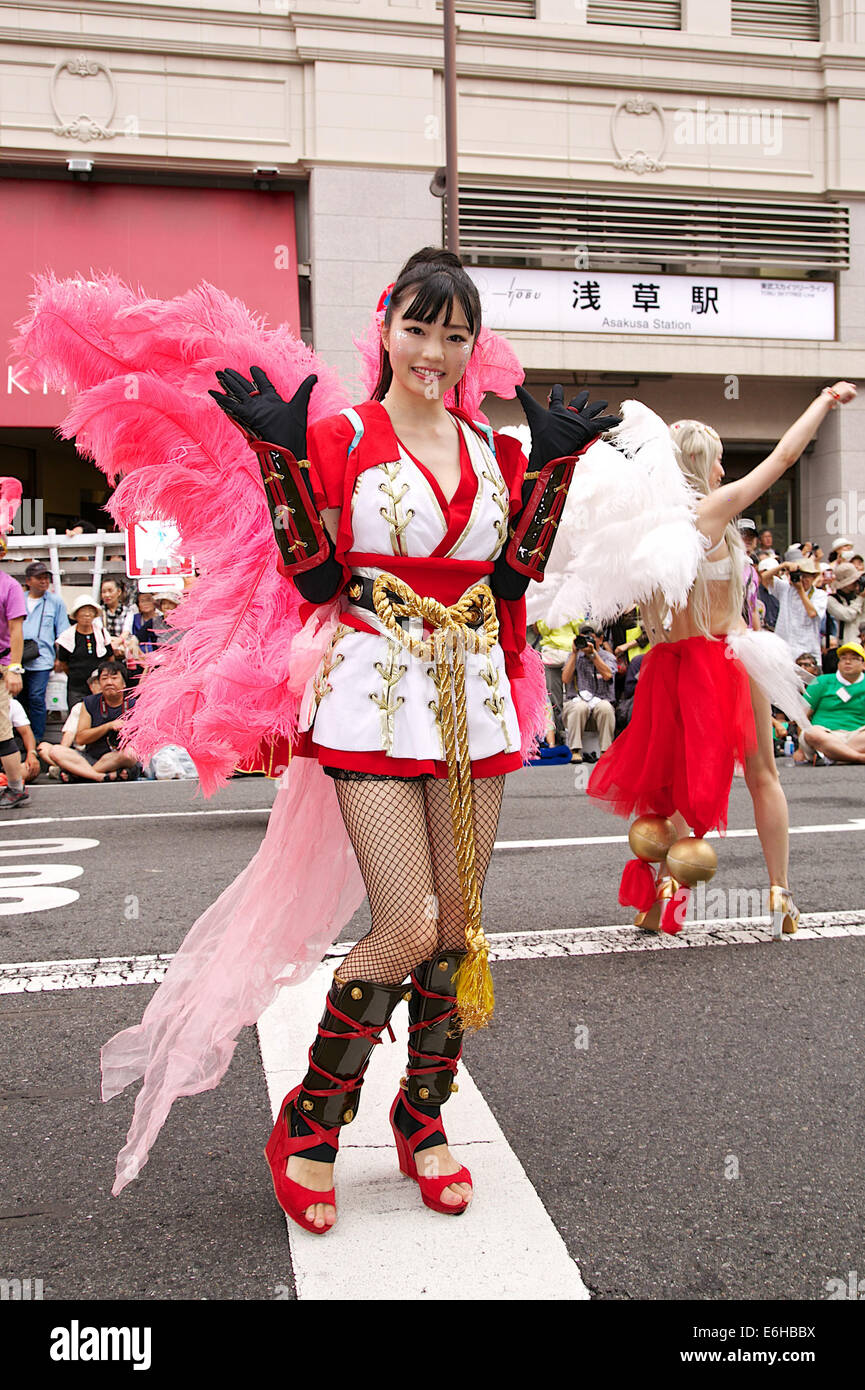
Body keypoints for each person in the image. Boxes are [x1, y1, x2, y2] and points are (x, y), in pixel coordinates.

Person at [93, 247, 619, 1228]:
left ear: (473, 347)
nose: (435, 351)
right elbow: (315, 577)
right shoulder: (341, 434)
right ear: (384, 327)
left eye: (455, 335)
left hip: (472, 700)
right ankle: (312, 1120)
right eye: (419, 328)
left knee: (457, 931)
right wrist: (277, 455)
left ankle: (422, 1118)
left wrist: (551, 464)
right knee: (407, 924)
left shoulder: (494, 449)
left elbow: (510, 582)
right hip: (370, 694)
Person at [587, 383, 857, 938]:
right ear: (701, 466)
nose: (722, 473)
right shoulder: (711, 513)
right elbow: (783, 458)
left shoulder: (643, 528)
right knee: (762, 774)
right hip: (728, 656)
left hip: (667, 663)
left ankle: (665, 896)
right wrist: (824, 402)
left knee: (677, 782)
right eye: (716, 462)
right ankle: (780, 891)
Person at [49, 659, 141, 782]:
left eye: (114, 678)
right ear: (99, 683)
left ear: (124, 683)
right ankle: (99, 776)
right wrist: (108, 726)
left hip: (118, 758)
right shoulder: (89, 703)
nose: (109, 682)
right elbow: (81, 739)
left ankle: (81, 774)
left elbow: (140, 742)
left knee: (130, 754)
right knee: (55, 751)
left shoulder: (134, 704)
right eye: (104, 678)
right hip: (92, 757)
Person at [21, 560, 71, 742]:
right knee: (20, 698)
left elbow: (63, 632)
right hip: (18, 657)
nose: (43, 581)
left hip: (43, 657)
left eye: (46, 578)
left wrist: (60, 657)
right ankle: (21, 739)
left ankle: (36, 738)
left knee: (36, 697)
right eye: (39, 578)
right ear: (28, 580)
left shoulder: (55, 601)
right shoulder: (18, 598)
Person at [0, 506, 29, 809]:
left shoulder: (9, 586)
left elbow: (16, 631)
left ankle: (17, 787)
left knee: (1, 730)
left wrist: (14, 669)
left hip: (0, 664)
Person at [797, 641, 865, 765]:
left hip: (857, 736)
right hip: (824, 735)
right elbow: (802, 716)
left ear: (863, 664)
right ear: (839, 663)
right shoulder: (821, 681)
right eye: (844, 658)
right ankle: (858, 758)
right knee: (812, 732)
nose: (848, 662)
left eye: (854, 659)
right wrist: (800, 749)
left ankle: (831, 756)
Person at [561, 623, 616, 764]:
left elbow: (608, 675)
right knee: (580, 707)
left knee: (605, 708)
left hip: (600, 704)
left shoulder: (607, 657)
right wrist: (574, 653)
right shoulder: (574, 656)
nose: (587, 642)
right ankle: (575, 751)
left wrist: (594, 655)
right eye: (583, 638)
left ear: (601, 639)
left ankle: (606, 751)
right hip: (576, 705)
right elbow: (565, 679)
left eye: (591, 638)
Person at [54, 597, 112, 709]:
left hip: (99, 685)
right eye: (83, 611)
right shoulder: (67, 637)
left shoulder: (102, 633)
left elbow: (110, 658)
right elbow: (63, 663)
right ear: (76, 615)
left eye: (90, 611)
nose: (87, 614)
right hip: (76, 687)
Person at [826, 562, 865, 647]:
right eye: (853, 580)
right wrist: (860, 598)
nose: (856, 582)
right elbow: (848, 616)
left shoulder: (859, 596)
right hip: (847, 644)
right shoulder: (831, 600)